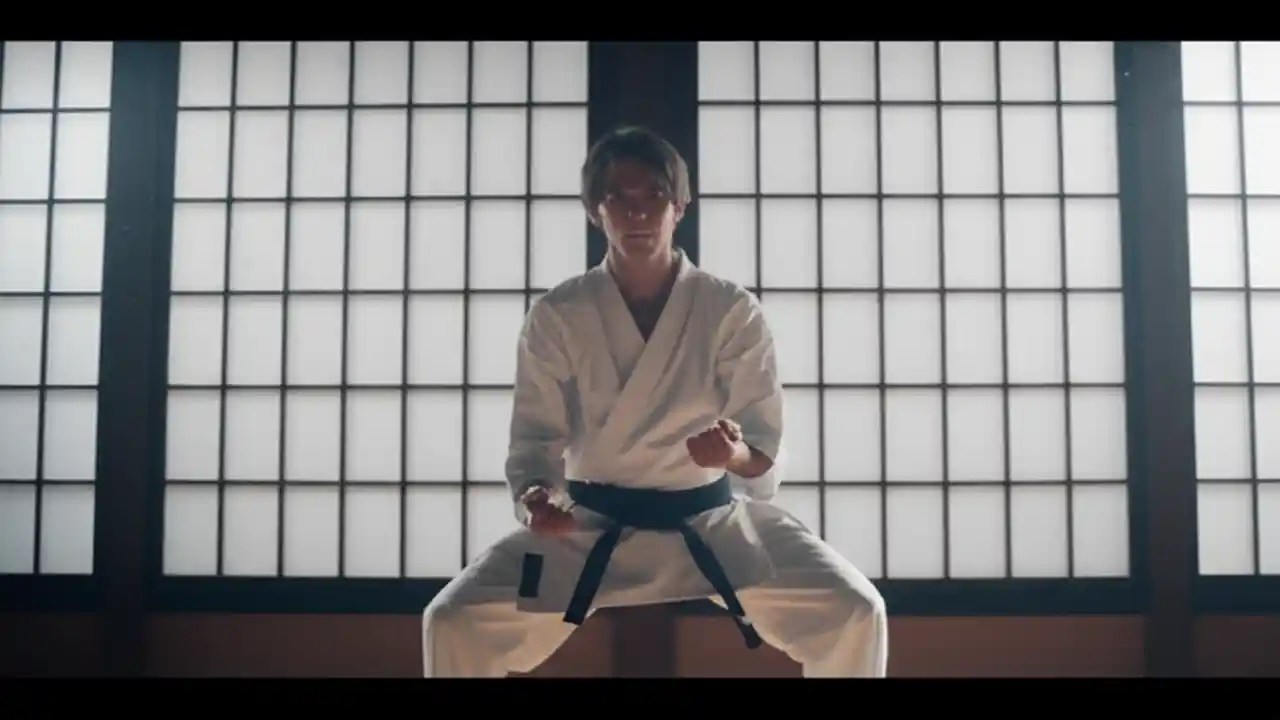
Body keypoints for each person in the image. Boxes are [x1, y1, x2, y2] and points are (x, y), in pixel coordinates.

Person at [421, 126, 887, 678]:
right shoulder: (560, 313)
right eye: (618, 198)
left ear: (680, 206)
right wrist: (537, 499)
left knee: (856, 611)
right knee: (452, 620)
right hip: (590, 523)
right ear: (595, 210)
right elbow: (535, 440)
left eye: (653, 197)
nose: (637, 213)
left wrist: (730, 456)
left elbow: (761, 444)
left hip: (709, 518)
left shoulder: (728, 308)